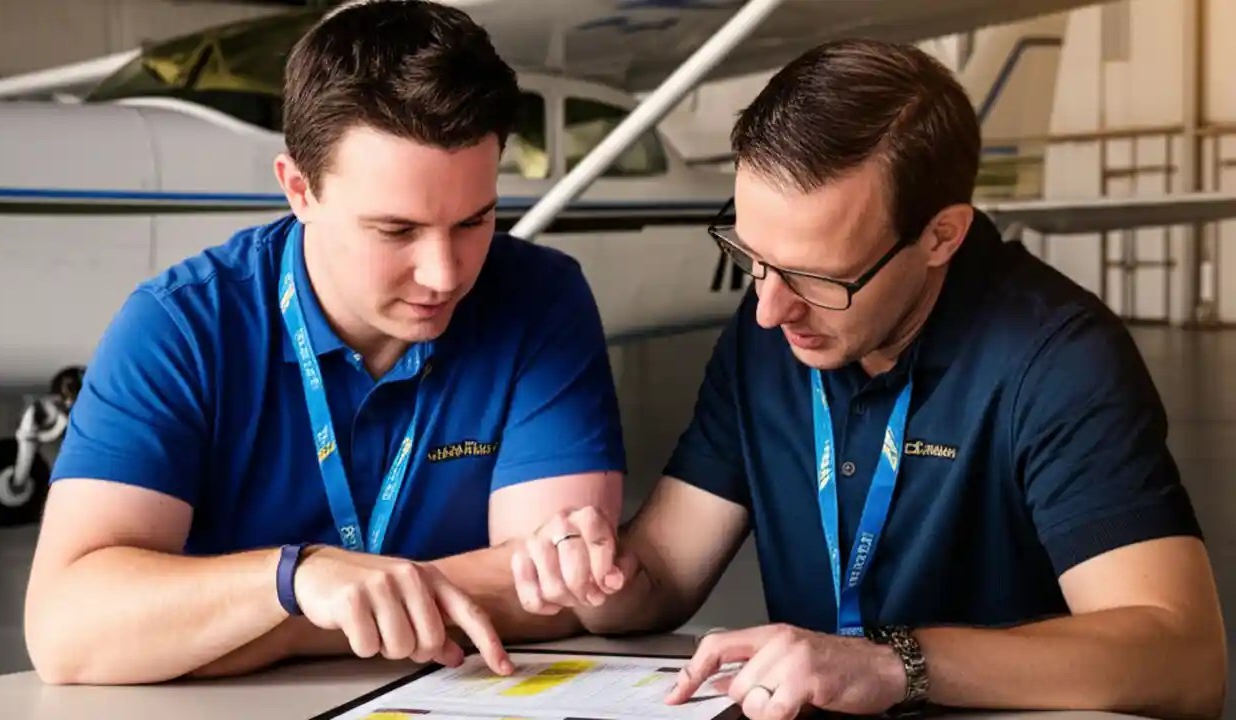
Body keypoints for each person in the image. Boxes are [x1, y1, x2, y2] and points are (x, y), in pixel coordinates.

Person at [509, 38, 1228, 720]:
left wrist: (893, 666)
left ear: (941, 235)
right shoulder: (771, 335)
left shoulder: (1058, 358)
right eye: (752, 257)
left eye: (819, 278)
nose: (768, 309)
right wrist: (594, 574)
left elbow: (1185, 661)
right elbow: (665, 566)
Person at [24, 0, 626, 685]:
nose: (445, 274)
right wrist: (298, 577)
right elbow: (68, 632)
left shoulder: (540, 299)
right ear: (298, 189)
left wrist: (268, 619)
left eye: (475, 221)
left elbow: (555, 595)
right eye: (396, 231)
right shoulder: (180, 327)